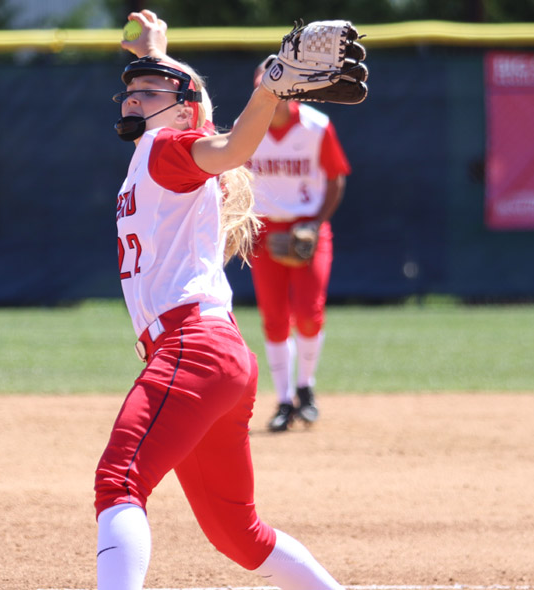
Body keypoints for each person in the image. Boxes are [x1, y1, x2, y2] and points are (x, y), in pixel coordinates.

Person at [94, 10, 344, 590]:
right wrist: (156, 50)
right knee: (239, 534)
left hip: (192, 347)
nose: (133, 98)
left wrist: (271, 87)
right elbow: (198, 112)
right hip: (218, 358)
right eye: (129, 91)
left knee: (119, 482)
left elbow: (231, 145)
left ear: (183, 111)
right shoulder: (161, 151)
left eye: (148, 92)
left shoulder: (171, 149)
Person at [246, 61, 351, 432]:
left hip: (307, 229)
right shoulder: (249, 128)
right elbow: (235, 178)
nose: (271, 96)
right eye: (265, 88)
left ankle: (306, 388)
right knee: (274, 319)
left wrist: (315, 222)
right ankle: (284, 399)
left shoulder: (316, 126)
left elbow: (335, 180)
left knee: (309, 312)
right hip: (264, 230)